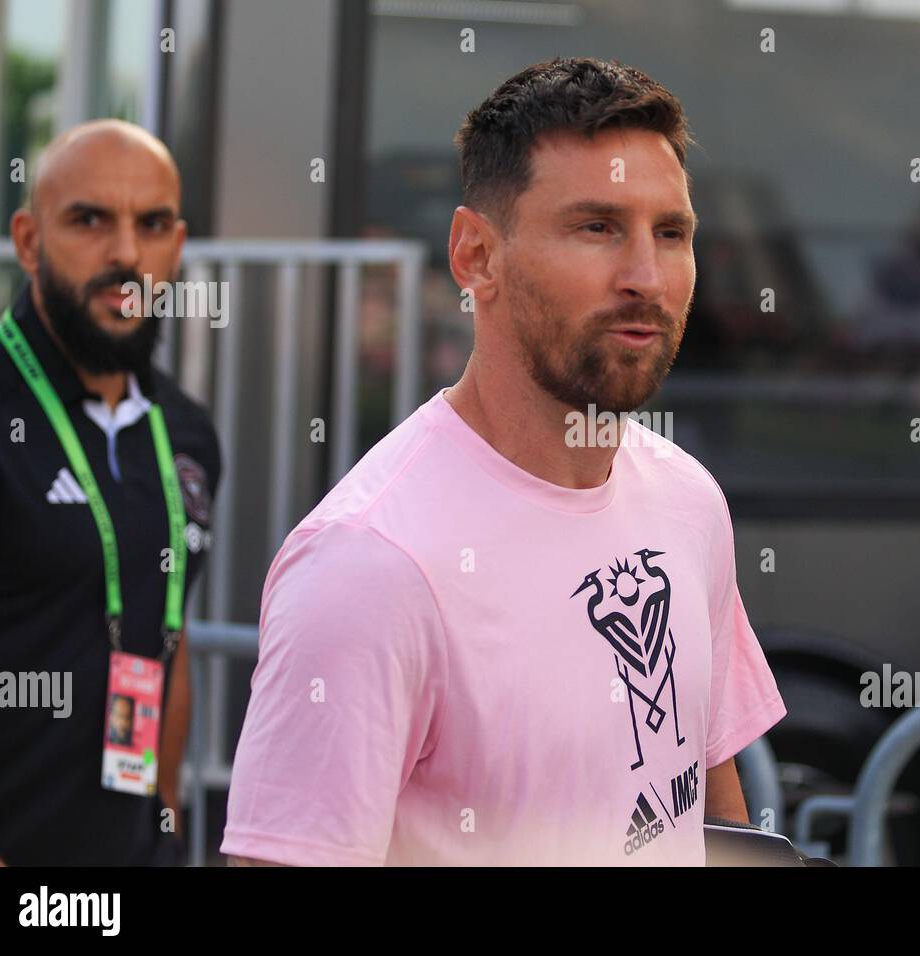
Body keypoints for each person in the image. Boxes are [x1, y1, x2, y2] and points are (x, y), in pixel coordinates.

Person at [222, 57, 785, 866]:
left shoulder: (688, 501)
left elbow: (703, 801)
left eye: (671, 233)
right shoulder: (368, 566)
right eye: (596, 227)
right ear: (476, 256)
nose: (645, 278)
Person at [0, 120, 221, 865]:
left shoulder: (187, 435)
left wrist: (166, 828)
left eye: (150, 225)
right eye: (89, 220)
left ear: (176, 247)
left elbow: (165, 647)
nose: (124, 255)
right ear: (27, 240)